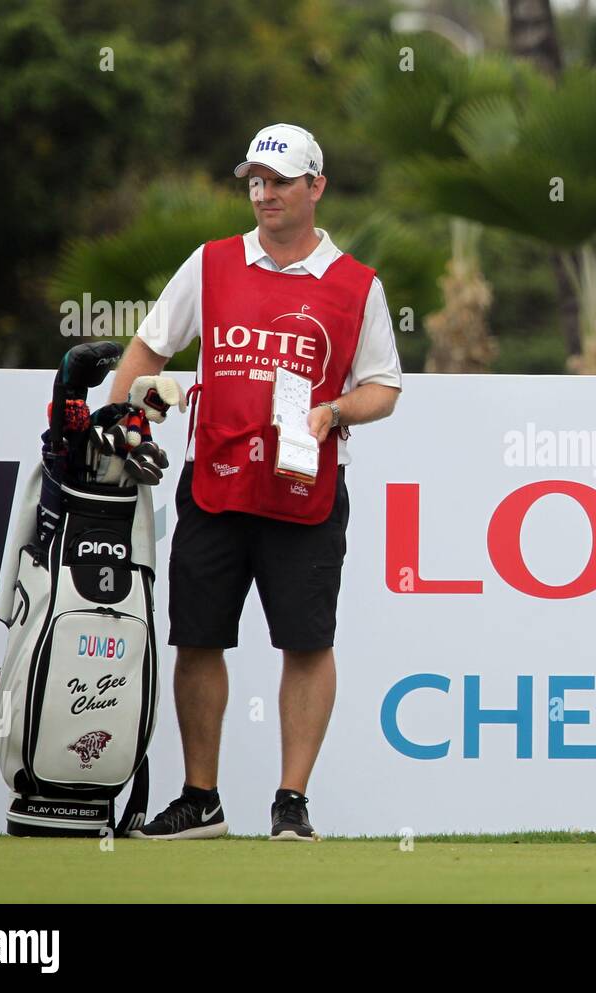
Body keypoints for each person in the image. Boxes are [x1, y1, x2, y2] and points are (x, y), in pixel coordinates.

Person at [110, 123, 402, 840]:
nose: (265, 194)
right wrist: (119, 421)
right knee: (197, 637)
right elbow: (150, 346)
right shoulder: (212, 262)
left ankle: (290, 801)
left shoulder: (356, 283)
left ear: (316, 187)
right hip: (214, 481)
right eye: (255, 182)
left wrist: (335, 411)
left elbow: (384, 387)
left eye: (280, 181)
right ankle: (200, 799)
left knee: (306, 642)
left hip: (305, 489)